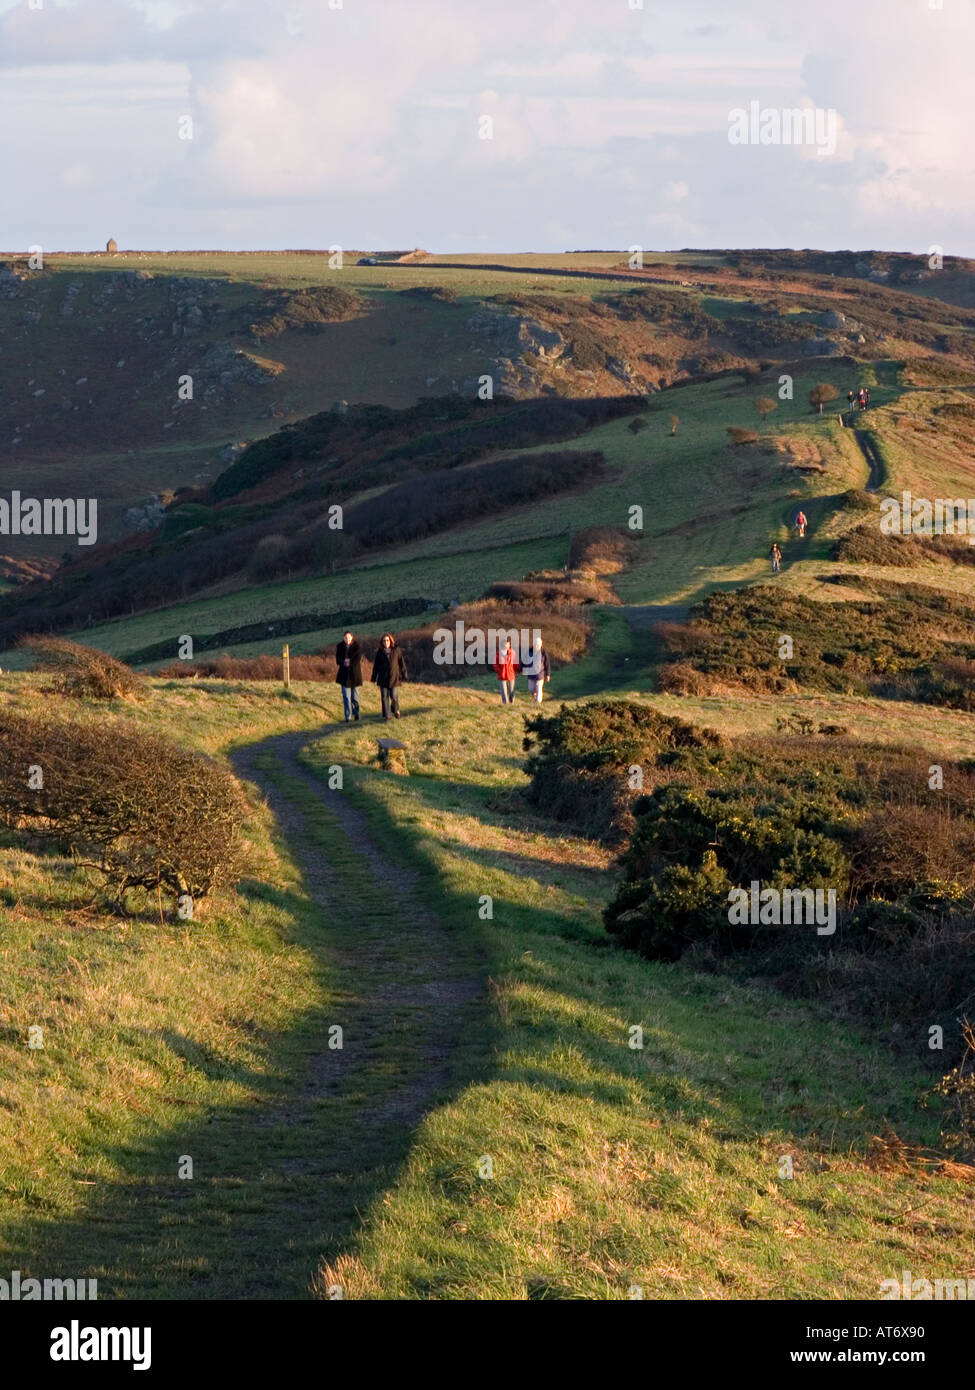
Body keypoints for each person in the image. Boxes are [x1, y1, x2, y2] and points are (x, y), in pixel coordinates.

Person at [370, 633, 407, 721]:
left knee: (394, 696)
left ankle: (396, 710)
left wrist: (404, 673)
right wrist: (374, 677)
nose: (386, 642)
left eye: (387, 640)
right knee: (384, 697)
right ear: (382, 642)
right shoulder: (380, 652)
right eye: (384, 641)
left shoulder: (396, 650)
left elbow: (401, 662)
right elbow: (376, 666)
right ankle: (388, 715)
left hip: (394, 677)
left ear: (390, 641)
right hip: (383, 678)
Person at [335, 630, 363, 721]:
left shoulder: (357, 647)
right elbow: (338, 659)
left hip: (354, 674)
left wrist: (349, 662)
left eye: (349, 637)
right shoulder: (340, 647)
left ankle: (356, 713)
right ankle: (348, 716)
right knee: (346, 697)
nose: (347, 639)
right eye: (346, 638)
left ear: (352, 638)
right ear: (343, 638)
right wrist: (344, 662)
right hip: (344, 675)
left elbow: (358, 659)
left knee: (355, 696)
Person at [493, 637, 520, 704]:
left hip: (511, 674)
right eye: (505, 644)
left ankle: (512, 703)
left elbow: (516, 663)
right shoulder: (498, 654)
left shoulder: (513, 653)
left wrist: (519, 670)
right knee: (503, 691)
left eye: (508, 644)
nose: (506, 645)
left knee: (511, 691)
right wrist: (499, 671)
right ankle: (505, 704)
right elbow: (495, 664)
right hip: (502, 675)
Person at [524, 636, 550, 703]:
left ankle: (538, 702)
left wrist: (548, 674)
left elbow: (547, 664)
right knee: (531, 689)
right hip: (531, 674)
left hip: (540, 674)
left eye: (538, 645)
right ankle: (535, 697)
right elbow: (524, 661)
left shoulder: (544, 653)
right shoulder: (529, 652)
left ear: (541, 645)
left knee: (538, 688)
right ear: (533, 644)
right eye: (535, 644)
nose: (537, 646)